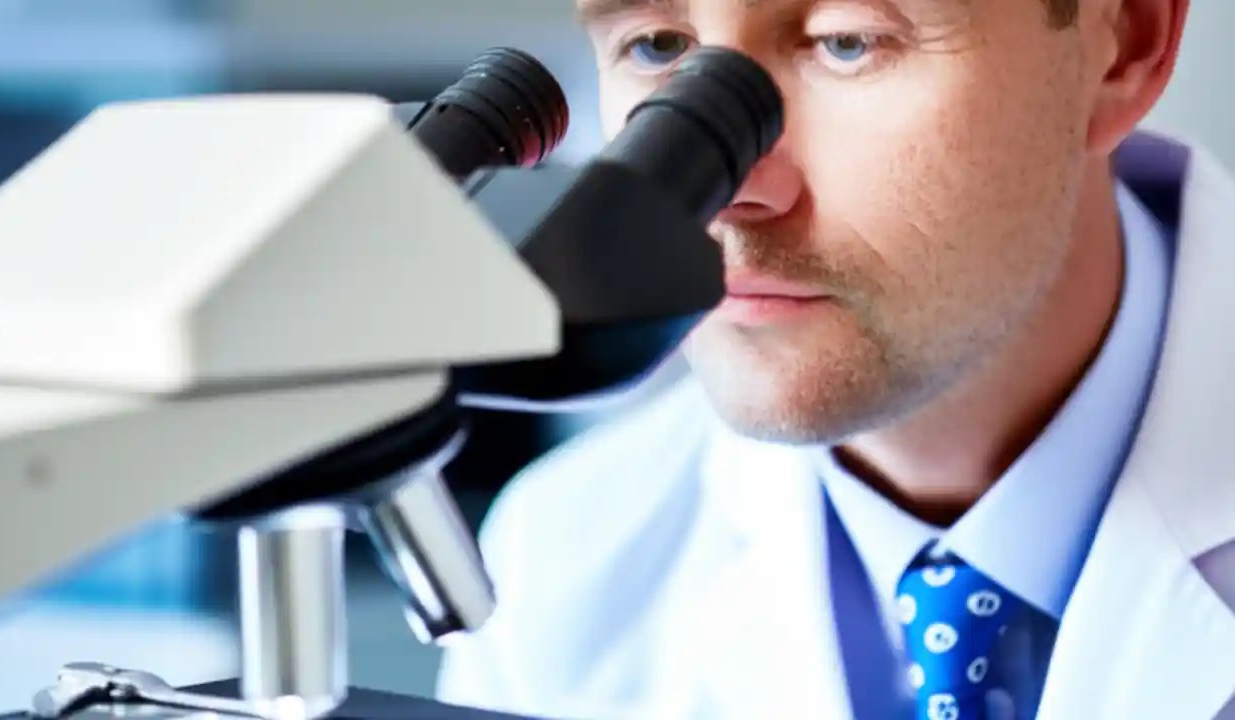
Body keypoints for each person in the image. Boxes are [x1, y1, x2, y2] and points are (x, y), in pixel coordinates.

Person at [438, 0, 1235, 717]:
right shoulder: (554, 569)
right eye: (658, 46)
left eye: (848, 42)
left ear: (1123, 46)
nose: (733, 193)